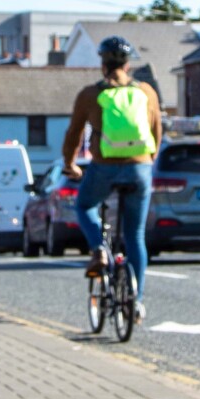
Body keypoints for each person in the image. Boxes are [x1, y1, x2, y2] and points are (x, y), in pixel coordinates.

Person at [61, 35, 162, 321]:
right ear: (128, 64)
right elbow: (157, 132)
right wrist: (146, 163)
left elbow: (74, 135)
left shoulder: (90, 94)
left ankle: (98, 251)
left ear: (102, 64)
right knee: (135, 236)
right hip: (140, 168)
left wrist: (70, 165)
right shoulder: (147, 92)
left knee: (84, 206)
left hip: (104, 167)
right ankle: (136, 301)